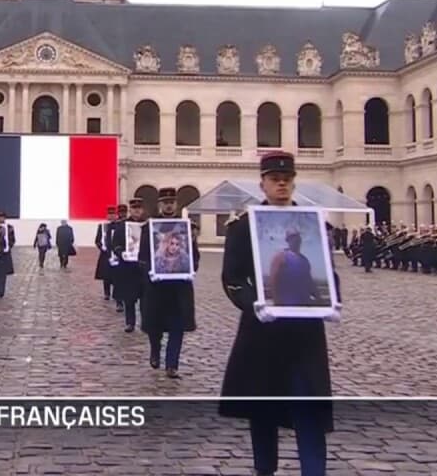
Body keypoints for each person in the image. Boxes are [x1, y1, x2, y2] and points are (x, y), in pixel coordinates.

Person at [220, 151, 341, 476]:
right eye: (275, 179)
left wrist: (333, 301)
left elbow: (328, 270)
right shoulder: (245, 226)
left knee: (309, 409)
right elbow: (231, 278)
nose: (282, 184)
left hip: (305, 335)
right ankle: (265, 470)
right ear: (263, 183)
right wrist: (251, 303)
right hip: (263, 331)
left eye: (287, 179)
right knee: (263, 410)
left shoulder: (313, 223)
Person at [142, 187, 198, 378]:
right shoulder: (149, 228)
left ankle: (172, 365)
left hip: (179, 288)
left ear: (176, 204)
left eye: (171, 202)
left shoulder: (186, 228)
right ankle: (155, 351)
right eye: (165, 202)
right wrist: (151, 272)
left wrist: (191, 269)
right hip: (157, 287)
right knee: (154, 326)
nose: (168, 205)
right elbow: (142, 257)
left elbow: (194, 256)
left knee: (177, 326)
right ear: (159, 204)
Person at [112, 199, 148, 333]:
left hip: (144, 267)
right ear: (130, 210)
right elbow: (115, 243)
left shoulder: (147, 225)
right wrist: (121, 253)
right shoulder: (122, 226)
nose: (137, 210)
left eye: (139, 208)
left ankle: (145, 323)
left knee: (145, 298)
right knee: (129, 298)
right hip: (128, 267)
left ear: (142, 210)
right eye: (134, 208)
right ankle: (130, 322)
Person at [267, 228, 322, 307]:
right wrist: (277, 301)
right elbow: (273, 280)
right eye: (293, 237)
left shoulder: (304, 260)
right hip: (287, 303)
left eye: (298, 237)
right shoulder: (280, 257)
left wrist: (318, 298)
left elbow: (309, 281)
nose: (296, 239)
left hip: (303, 303)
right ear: (288, 240)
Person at [94, 206, 118, 300]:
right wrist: (101, 247)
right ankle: (106, 293)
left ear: (116, 215)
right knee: (106, 275)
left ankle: (117, 295)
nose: (111, 216)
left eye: (113, 214)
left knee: (116, 275)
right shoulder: (102, 226)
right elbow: (97, 240)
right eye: (110, 214)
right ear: (107, 216)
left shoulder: (119, 226)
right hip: (105, 254)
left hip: (116, 254)